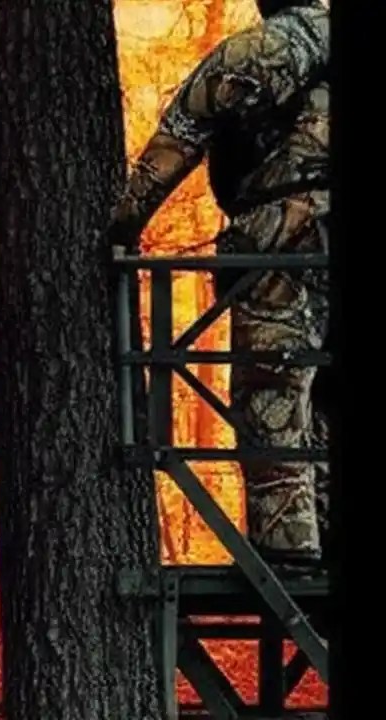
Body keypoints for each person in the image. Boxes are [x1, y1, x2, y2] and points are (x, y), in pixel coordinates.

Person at [106, 0, 330, 572]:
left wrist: (120, 229)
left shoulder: (258, 51)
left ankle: (290, 549)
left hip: (283, 245)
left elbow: (177, 140)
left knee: (272, 382)